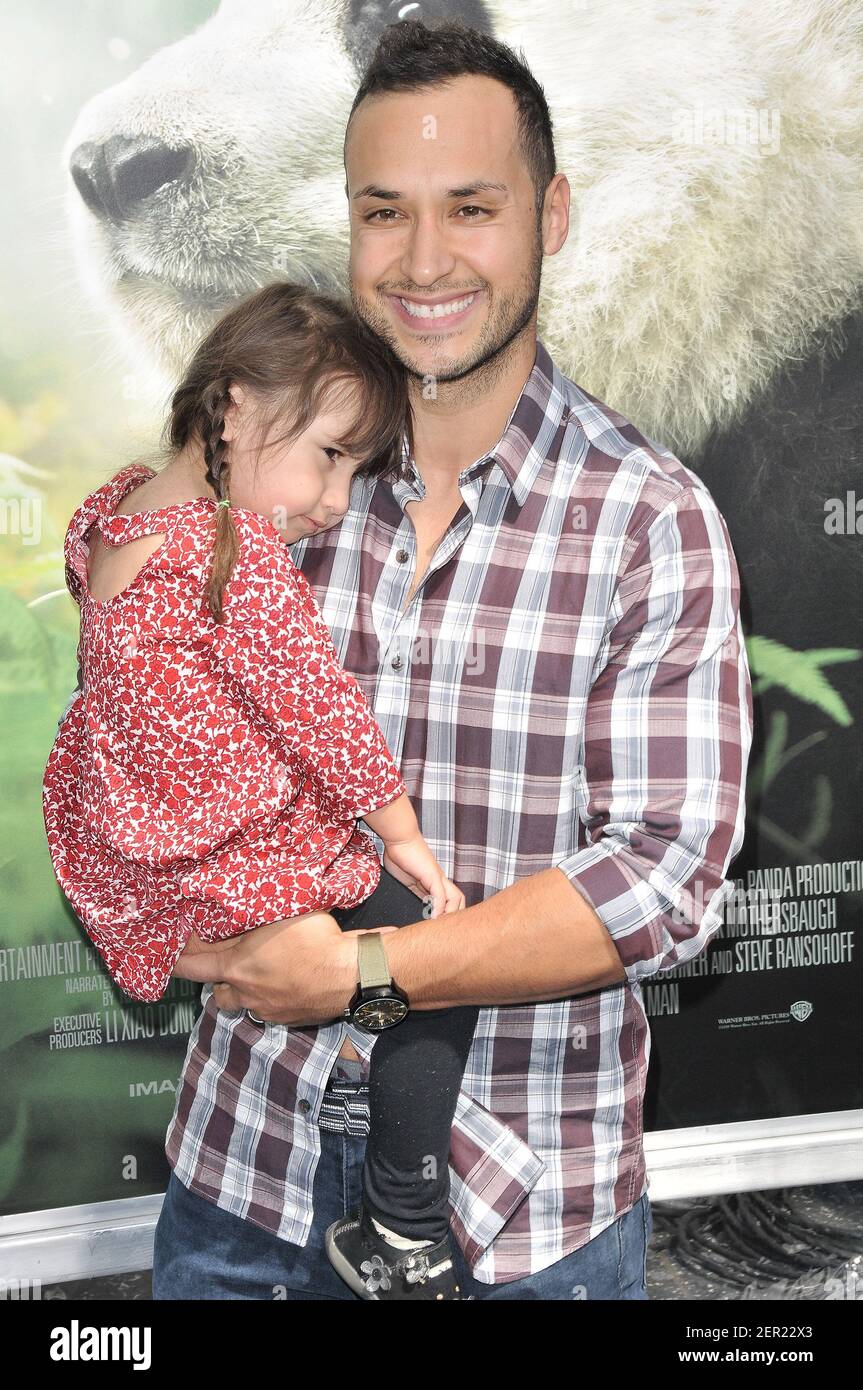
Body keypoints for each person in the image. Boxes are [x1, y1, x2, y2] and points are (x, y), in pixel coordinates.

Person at [147, 18, 750, 1300]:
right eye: (384, 212)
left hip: (520, 1219)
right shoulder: (258, 492)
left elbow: (663, 880)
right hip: (238, 1184)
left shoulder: (649, 516)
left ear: (552, 217)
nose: (423, 262)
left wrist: (357, 971)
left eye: (471, 207)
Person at [41, 281, 484, 1300]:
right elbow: (321, 708)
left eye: (355, 472)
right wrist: (402, 835)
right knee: (432, 963)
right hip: (242, 860)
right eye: (329, 457)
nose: (335, 503)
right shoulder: (231, 559)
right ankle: (403, 1221)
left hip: (135, 862)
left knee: (376, 971)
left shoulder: (109, 516)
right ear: (234, 405)